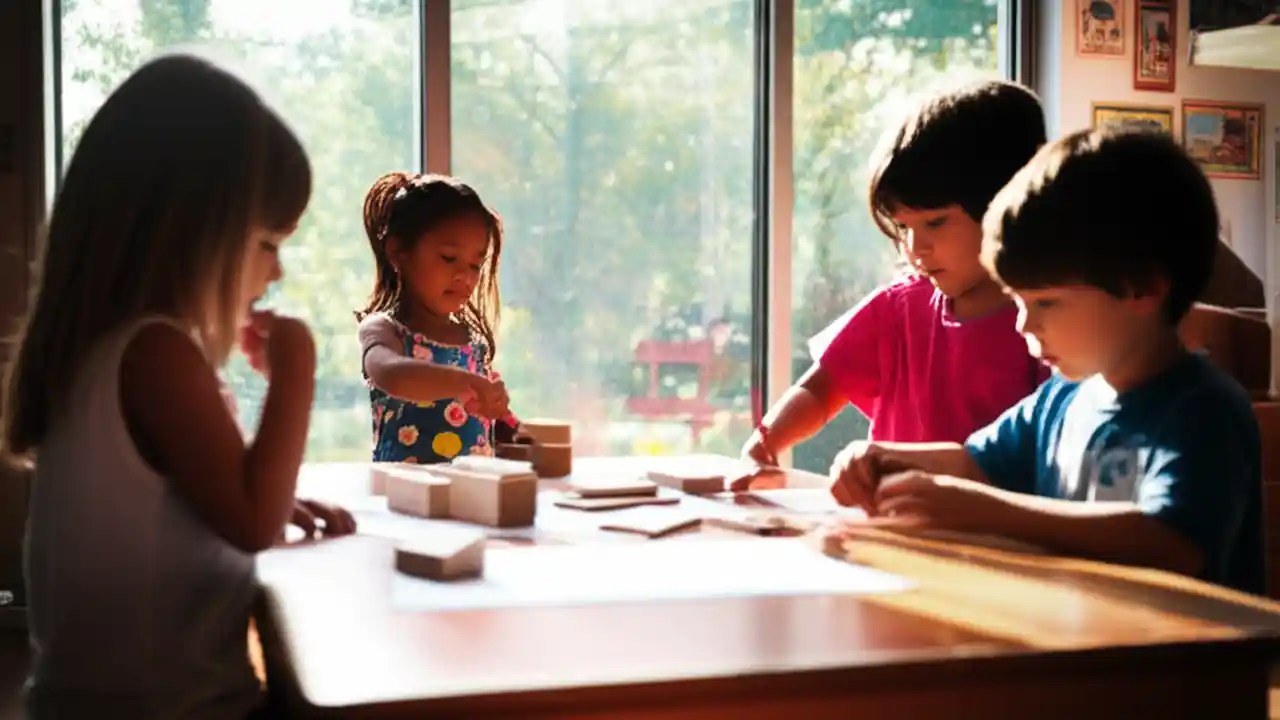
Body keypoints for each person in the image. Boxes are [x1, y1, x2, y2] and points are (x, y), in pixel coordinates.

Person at [0, 54, 356, 717]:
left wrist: (267, 499)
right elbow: (250, 523)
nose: (274, 274)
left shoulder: (102, 350)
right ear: (197, 230)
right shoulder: (156, 354)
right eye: (268, 242)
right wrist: (297, 367)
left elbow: (215, 511)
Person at [830, 130, 1263, 593]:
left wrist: (984, 510)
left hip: (1185, 663)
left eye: (1046, 303)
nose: (1023, 326)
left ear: (1142, 289)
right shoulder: (1062, 397)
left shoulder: (1204, 412)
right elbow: (977, 463)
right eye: (1018, 301)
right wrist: (883, 457)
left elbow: (1170, 543)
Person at [740, 80, 1049, 477]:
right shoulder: (897, 307)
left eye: (935, 222)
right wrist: (761, 447)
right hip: (890, 526)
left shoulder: (1042, 323)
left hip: (994, 532)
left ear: (1004, 204)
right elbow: (818, 390)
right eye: (903, 228)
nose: (915, 247)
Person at [357, 172, 518, 463]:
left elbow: (486, 427)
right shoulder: (384, 330)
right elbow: (392, 374)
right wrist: (467, 383)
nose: (464, 276)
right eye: (448, 258)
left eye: (475, 264)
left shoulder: (474, 344)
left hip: (470, 497)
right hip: (403, 498)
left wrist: (500, 411)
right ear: (397, 252)